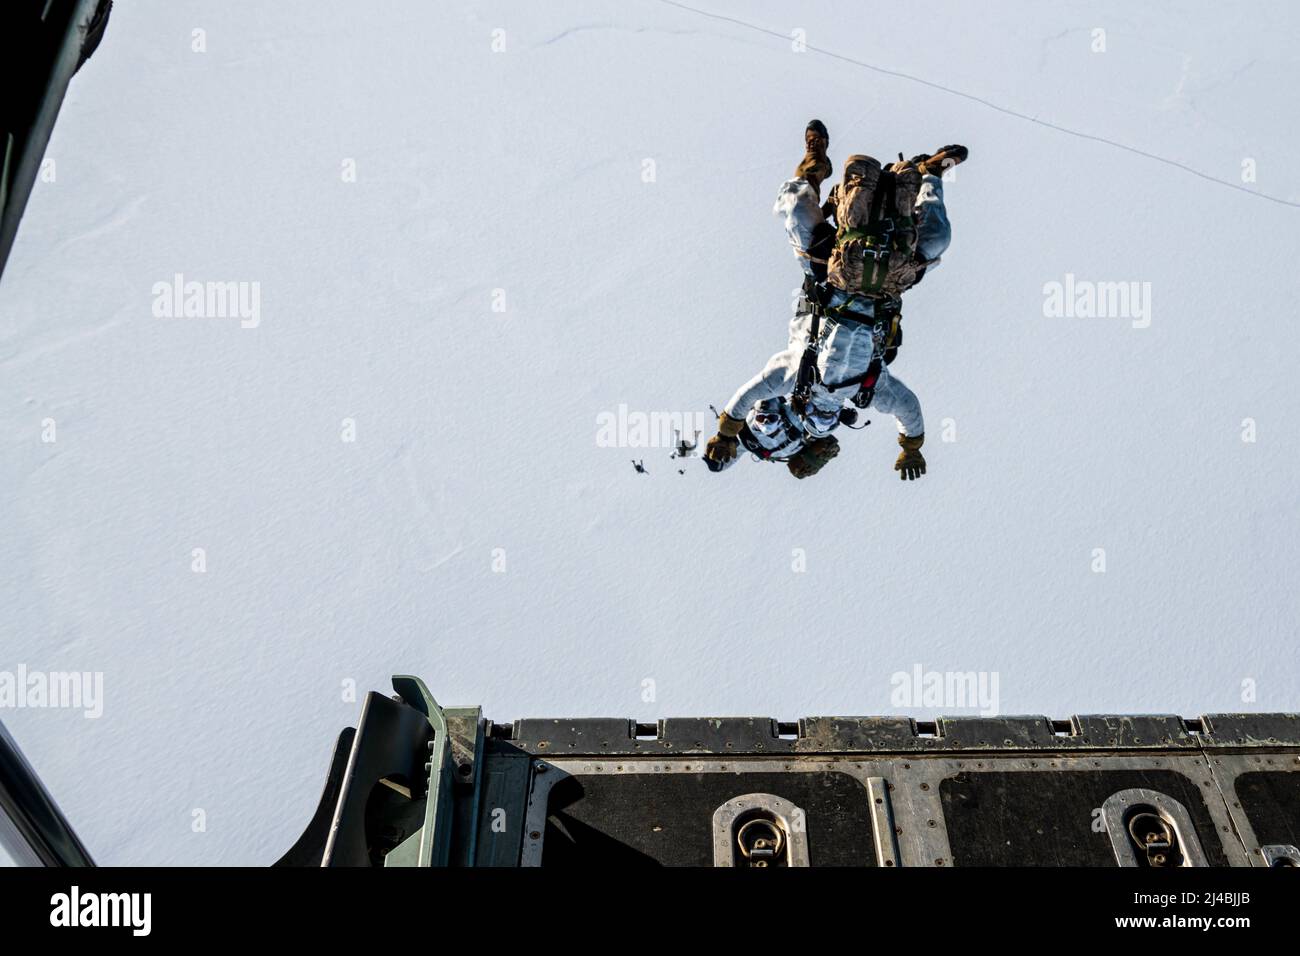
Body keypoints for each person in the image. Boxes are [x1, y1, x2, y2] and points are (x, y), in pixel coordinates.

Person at [704, 124, 965, 481]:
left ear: (802, 407)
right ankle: (930, 175)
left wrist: (726, 435)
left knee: (796, 206)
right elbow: (908, 408)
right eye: (829, 420)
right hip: (885, 287)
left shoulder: (795, 374)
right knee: (937, 240)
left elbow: (749, 395)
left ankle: (814, 166)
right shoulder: (870, 389)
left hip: (828, 276)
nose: (824, 414)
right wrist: (911, 445)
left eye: (817, 416)